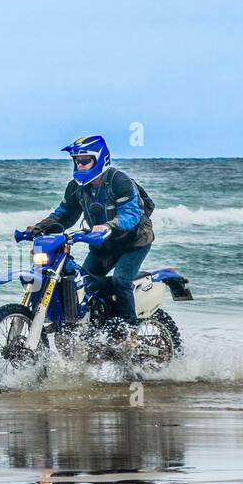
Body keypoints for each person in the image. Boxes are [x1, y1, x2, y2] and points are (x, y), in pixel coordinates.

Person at [23, 135, 155, 337]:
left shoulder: (119, 180)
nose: (81, 165)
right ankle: (95, 330)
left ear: (100, 158)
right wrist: (39, 228)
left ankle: (130, 332)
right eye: (77, 161)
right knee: (85, 283)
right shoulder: (77, 187)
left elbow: (131, 214)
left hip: (134, 242)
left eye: (85, 160)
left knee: (120, 280)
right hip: (103, 245)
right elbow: (64, 215)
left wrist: (109, 225)